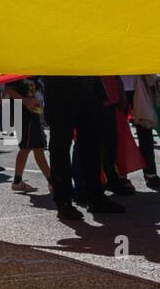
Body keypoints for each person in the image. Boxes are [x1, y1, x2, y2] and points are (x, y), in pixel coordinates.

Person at [42, 76, 123, 220]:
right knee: (61, 146)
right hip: (59, 85)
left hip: (89, 85)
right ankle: (64, 203)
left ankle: (96, 197)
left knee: (92, 144)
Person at [4, 78, 51, 194]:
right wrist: (26, 102)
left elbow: (37, 92)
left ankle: (17, 181)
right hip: (23, 113)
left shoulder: (34, 71)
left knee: (29, 146)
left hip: (32, 112)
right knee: (34, 146)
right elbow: (9, 90)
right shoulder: (17, 70)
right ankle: (52, 181)